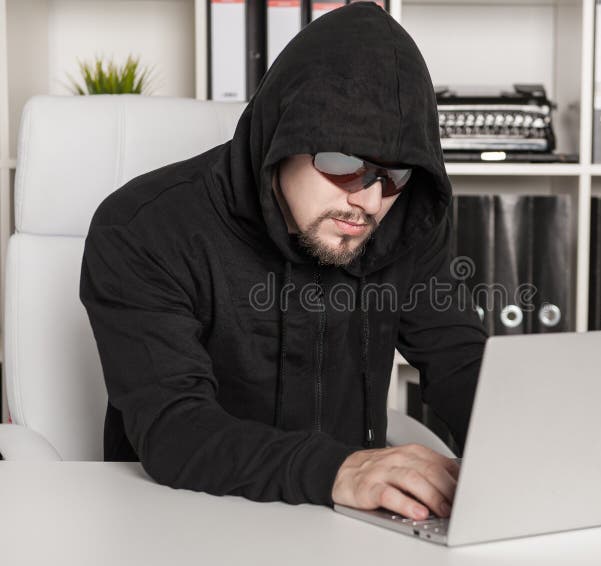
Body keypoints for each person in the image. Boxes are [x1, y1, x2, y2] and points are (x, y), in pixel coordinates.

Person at [79, 1, 487, 522]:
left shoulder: (402, 221)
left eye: (396, 176)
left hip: (344, 524)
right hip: (178, 518)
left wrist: (527, 456)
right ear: (281, 136)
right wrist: (344, 470)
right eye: (343, 164)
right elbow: (174, 427)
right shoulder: (143, 229)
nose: (368, 201)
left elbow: (459, 361)